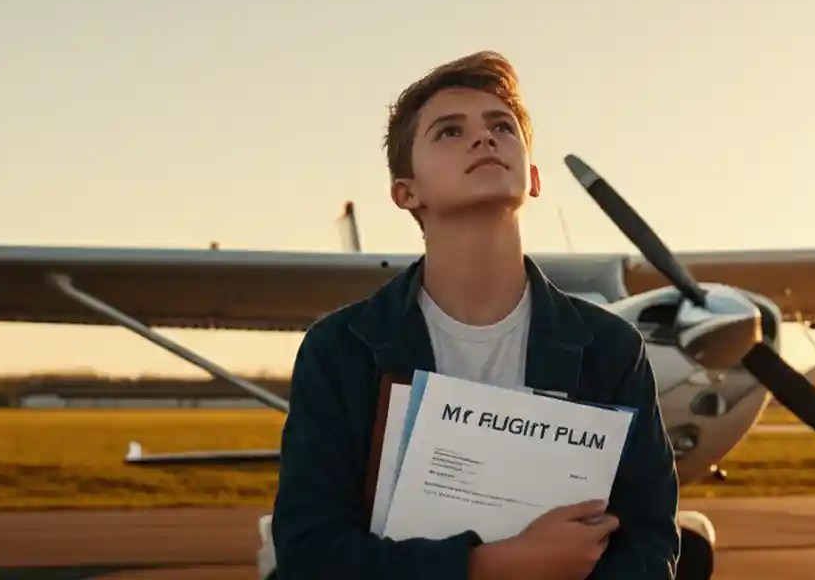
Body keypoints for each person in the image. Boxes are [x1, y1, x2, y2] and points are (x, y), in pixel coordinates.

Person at [271, 50, 680, 579]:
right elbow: (311, 555)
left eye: (502, 126)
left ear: (533, 177)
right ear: (406, 191)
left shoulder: (613, 348)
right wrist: (498, 565)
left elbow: (649, 546)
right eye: (448, 132)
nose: (484, 138)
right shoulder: (339, 348)